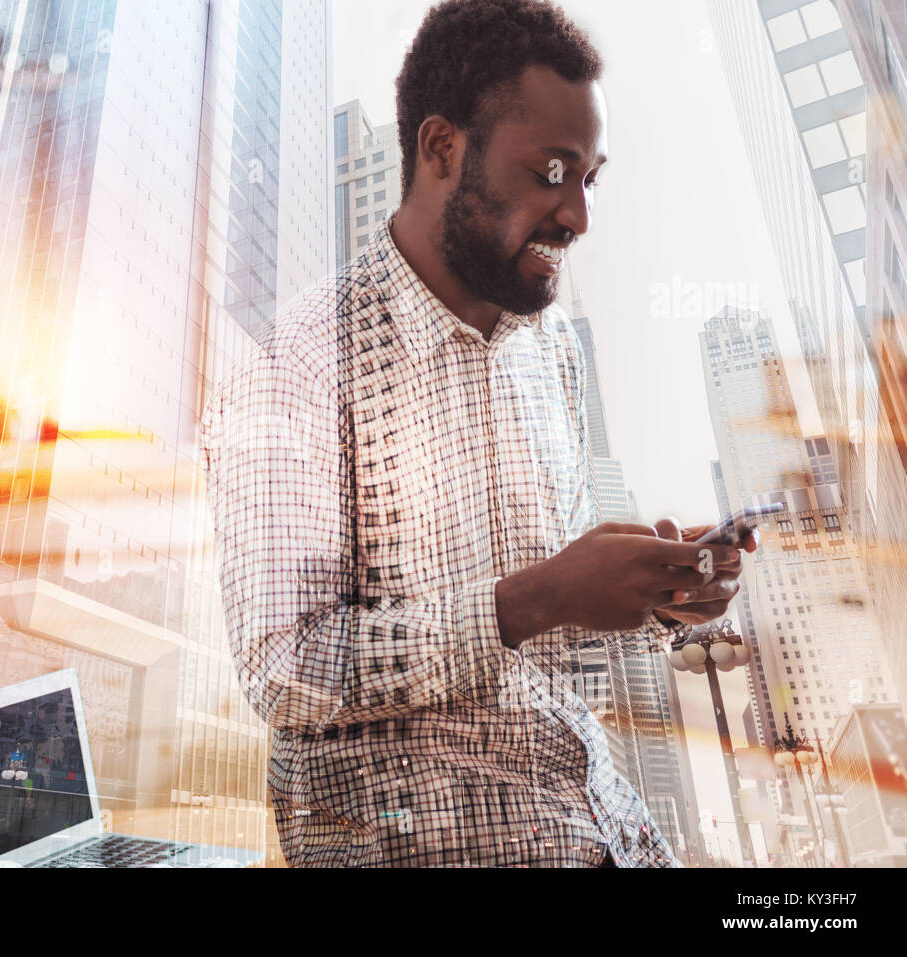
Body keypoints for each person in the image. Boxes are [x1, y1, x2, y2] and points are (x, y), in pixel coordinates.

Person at [198, 0, 761, 867]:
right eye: (551, 170)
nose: (578, 216)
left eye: (589, 178)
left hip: (605, 822)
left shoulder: (551, 354)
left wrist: (652, 591)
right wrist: (539, 596)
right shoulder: (298, 366)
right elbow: (285, 668)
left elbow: (547, 618)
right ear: (441, 150)